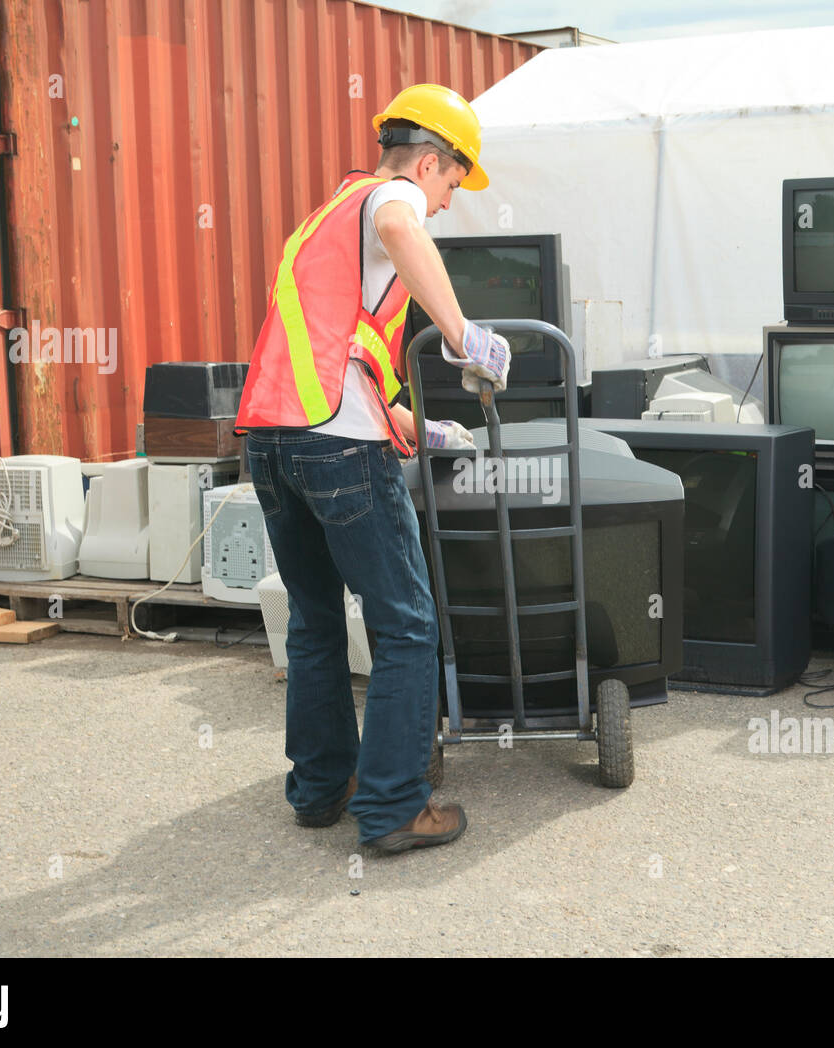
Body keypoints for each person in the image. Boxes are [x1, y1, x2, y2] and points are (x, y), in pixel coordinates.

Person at [235, 84, 511, 854]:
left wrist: (419, 424)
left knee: (316, 622)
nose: (450, 203)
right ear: (430, 163)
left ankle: (322, 790)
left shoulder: (325, 217)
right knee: (408, 625)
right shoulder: (392, 199)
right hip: (334, 445)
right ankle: (393, 808)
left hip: (272, 438)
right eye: (454, 183)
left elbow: (339, 350)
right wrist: (464, 339)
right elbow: (402, 222)